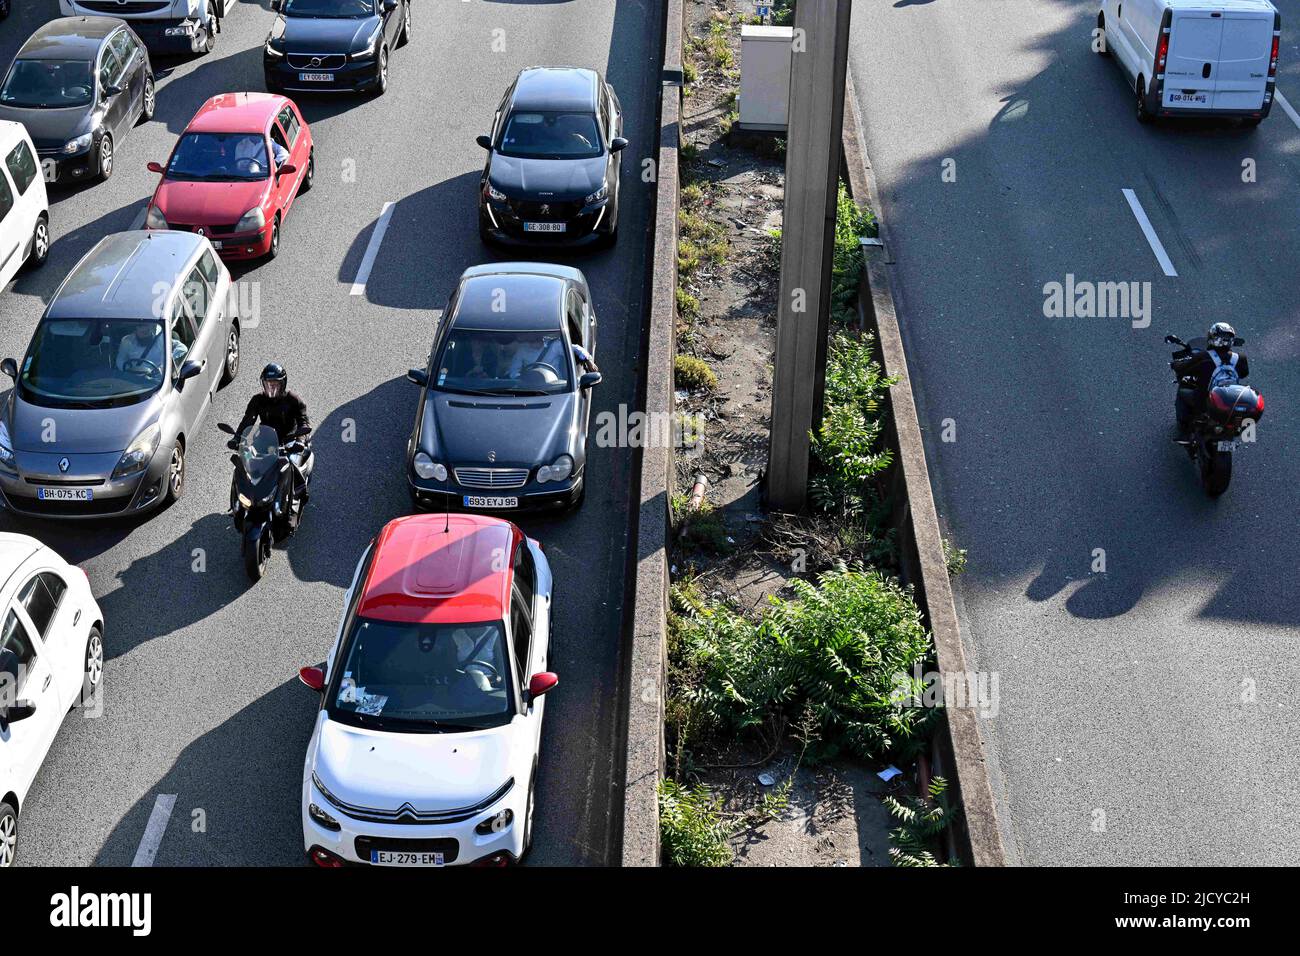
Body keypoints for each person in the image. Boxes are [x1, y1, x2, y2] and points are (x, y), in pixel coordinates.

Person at [232, 363, 314, 497]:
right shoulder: (257, 400)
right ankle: (242, 495)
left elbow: (303, 421)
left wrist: (299, 440)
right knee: (246, 458)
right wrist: (237, 437)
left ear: (283, 384)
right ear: (263, 384)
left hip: (289, 440)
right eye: (268, 384)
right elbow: (248, 420)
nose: (272, 387)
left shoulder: (293, 400)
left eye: (275, 384)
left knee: (292, 463)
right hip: (265, 439)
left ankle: (300, 490)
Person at [1172, 322, 1249, 439]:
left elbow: (1184, 370)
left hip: (1204, 402)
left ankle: (1184, 429)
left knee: (1183, 393)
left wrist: (1175, 365)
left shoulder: (1204, 357)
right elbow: (1244, 374)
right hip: (1230, 402)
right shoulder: (1240, 358)